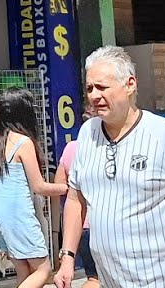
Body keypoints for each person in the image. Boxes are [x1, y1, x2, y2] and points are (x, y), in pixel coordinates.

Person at [54, 46, 165, 288]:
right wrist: (67, 259)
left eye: (102, 87)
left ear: (130, 84)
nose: (94, 95)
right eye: (89, 88)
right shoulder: (87, 135)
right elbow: (75, 199)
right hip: (111, 280)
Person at [0, 88, 68, 288]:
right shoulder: (24, 142)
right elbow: (39, 186)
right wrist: (66, 187)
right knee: (43, 270)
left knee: (23, 270)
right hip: (17, 214)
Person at [54, 111, 98, 288]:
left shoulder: (72, 148)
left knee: (93, 278)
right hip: (103, 225)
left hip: (79, 227)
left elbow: (60, 186)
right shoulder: (108, 148)